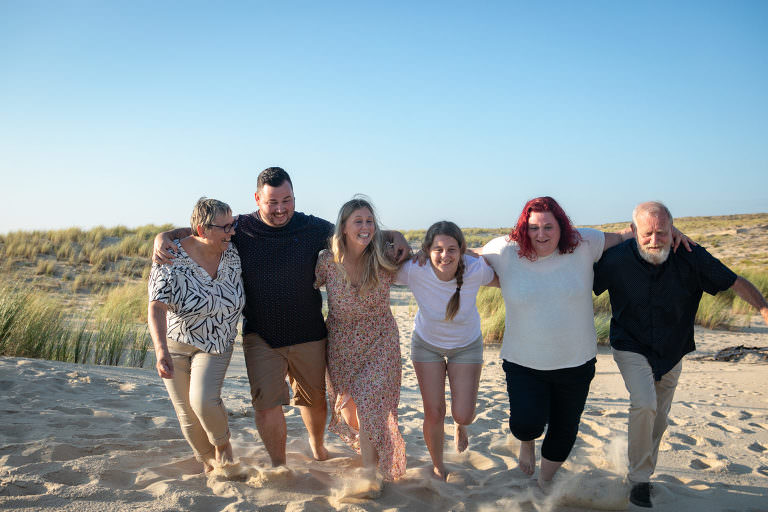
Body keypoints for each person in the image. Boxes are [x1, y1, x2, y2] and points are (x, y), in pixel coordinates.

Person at [153, 167, 410, 469]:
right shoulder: (239, 228)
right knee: (266, 405)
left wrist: (395, 235)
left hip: (309, 332)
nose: (280, 209)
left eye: (286, 200)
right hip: (261, 335)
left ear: (294, 197)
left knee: (314, 401)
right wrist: (164, 236)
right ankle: (279, 466)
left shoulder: (312, 227)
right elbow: (201, 231)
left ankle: (317, 447)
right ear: (257, 199)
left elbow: (354, 231)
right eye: (272, 202)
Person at [481, 196, 690, 488]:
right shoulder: (505, 250)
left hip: (576, 362)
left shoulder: (584, 243)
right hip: (523, 361)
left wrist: (667, 231)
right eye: (533, 228)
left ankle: (544, 482)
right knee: (526, 424)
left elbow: (625, 235)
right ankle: (527, 442)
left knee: (564, 433)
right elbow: (462, 257)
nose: (541, 235)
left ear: (561, 226)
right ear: (523, 229)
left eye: (548, 227)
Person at [593, 201, 768, 508]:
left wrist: (764, 308)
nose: (654, 240)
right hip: (630, 343)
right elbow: (580, 282)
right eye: (647, 233)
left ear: (673, 229)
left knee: (659, 419)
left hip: (673, 349)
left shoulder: (691, 256)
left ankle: (641, 469)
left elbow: (734, 281)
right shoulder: (616, 259)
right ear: (633, 231)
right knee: (644, 403)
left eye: (662, 232)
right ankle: (639, 480)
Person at [147, 197, 245, 473]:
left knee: (203, 401)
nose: (232, 231)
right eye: (225, 227)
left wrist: (164, 233)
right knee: (187, 415)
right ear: (202, 230)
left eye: (232, 224)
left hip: (217, 342)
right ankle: (210, 464)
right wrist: (160, 351)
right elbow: (156, 307)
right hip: (176, 344)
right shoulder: (170, 256)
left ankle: (223, 448)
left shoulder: (233, 251)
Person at [313, 197, 406, 482]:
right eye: (358, 222)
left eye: (369, 221)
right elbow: (304, 290)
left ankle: (369, 475)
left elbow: (424, 267)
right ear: (343, 227)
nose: (365, 227)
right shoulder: (327, 261)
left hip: (381, 342)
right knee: (350, 411)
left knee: (370, 405)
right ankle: (370, 449)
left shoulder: (385, 257)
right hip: (341, 345)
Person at [395, 221, 497, 480]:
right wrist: (399, 242)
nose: (445, 256)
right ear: (427, 251)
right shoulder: (414, 270)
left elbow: (504, 275)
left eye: (452, 249)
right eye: (438, 249)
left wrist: (477, 253)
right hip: (426, 345)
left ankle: (461, 426)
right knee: (434, 411)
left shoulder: (475, 269)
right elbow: (376, 268)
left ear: (461, 250)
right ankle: (438, 465)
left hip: (466, 345)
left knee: (464, 414)